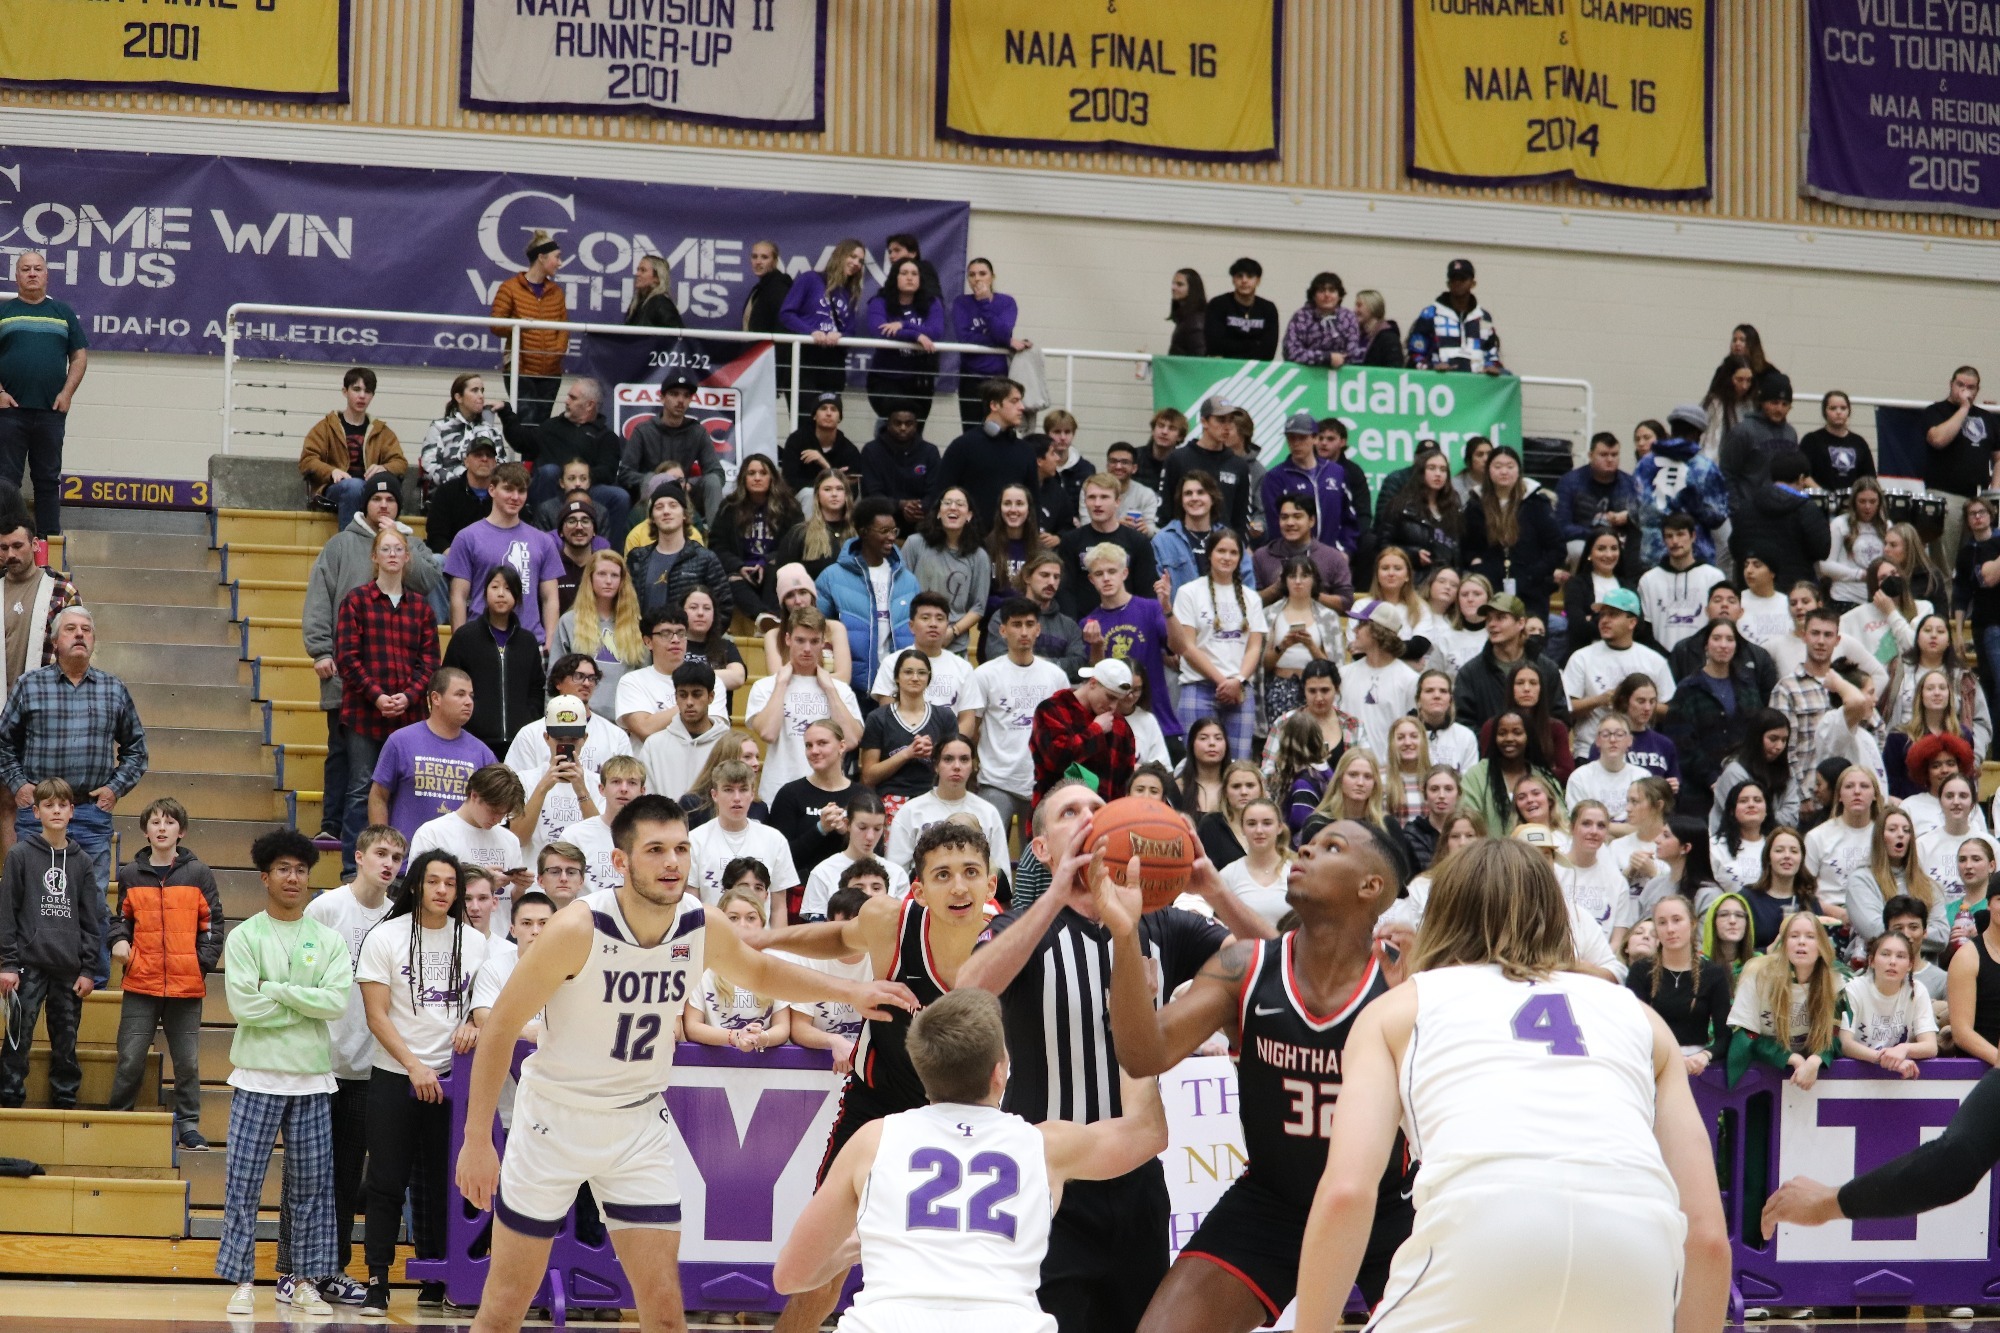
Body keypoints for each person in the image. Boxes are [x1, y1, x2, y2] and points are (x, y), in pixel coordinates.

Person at [453, 795, 917, 1329]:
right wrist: (475, 1139)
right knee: (505, 1304)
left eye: (680, 848)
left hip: (637, 1124)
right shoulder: (576, 930)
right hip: (553, 1119)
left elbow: (760, 974)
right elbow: (500, 1030)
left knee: (665, 1313)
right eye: (655, 850)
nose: (672, 862)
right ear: (621, 863)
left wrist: (847, 991)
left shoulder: (699, 922)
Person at [1292, 837, 1730, 1333]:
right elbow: (1709, 1235)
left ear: (1444, 912)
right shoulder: (1642, 1018)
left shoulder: (1399, 1008)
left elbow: (1348, 1192)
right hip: (1637, 1253)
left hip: (1484, 1232)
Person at [956, 779, 1259, 1333]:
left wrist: (1211, 887)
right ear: (1042, 849)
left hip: (1137, 1180)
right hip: (1049, 1183)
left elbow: (1281, 960)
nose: (1090, 817)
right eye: (1070, 812)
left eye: (1099, 808)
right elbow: (966, 992)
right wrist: (1055, 893)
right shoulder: (1019, 929)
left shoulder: (1165, 924)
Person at [1104, 813, 1415, 1333]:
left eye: (1331, 847)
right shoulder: (1244, 967)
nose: (1307, 851)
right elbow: (1143, 1055)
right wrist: (1124, 932)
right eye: (1308, 843)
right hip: (1274, 1204)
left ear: (1371, 886)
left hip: (1389, 1209)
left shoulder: (1405, 976)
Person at [776, 983, 1168, 1332]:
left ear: (921, 1067)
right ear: (1000, 1071)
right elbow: (1148, 1132)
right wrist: (1134, 1015)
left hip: (888, 1320)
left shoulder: (873, 1140)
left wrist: (848, 1251)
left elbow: (791, 1277)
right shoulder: (1045, 1144)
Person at [760, 824, 1004, 1333]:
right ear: (917, 889)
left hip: (973, 1119)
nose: (959, 887)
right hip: (878, 1103)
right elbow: (838, 938)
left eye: (970, 873)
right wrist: (759, 939)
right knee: (821, 1267)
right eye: (943, 875)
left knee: (970, 1272)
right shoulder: (889, 920)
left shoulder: (1014, 940)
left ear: (992, 883)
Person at [212, 829, 352, 1318]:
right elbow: (244, 1006)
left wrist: (280, 990)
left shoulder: (328, 939)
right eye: (284, 870)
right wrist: (300, 1001)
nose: (293, 878)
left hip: (313, 1079)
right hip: (256, 1077)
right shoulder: (245, 935)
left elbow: (335, 1003)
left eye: (301, 871)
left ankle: (304, 1282)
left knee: (312, 1187)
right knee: (244, 1182)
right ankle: (243, 1280)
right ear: (265, 877)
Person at [353, 848, 486, 1315]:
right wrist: (413, 1065)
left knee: (444, 1184)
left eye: (451, 884)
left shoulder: (474, 941)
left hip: (453, 1080)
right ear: (416, 885)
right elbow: (375, 1014)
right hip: (396, 1076)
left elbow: (485, 1003)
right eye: (434, 882)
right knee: (387, 1181)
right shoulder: (385, 936)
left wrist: (473, 1021)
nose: (442, 891)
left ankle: (438, 1276)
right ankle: (378, 1280)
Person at [0, 605, 146, 973]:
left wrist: (113, 790)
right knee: (32, 894)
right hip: (37, 814)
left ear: (93, 640)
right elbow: (3, 743)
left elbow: (136, 751)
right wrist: (19, 785)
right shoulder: (30, 685)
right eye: (70, 629)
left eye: (86, 629)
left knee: (92, 896)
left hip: (89, 814)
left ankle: (91, 975)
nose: (79, 634)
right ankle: (27, 971)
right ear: (55, 641)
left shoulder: (114, 689)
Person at [106, 797, 221, 1150]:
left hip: (186, 986)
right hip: (141, 983)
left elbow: (212, 923)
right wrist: (120, 941)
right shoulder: (129, 873)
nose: (161, 828)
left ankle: (188, 1125)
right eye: (155, 822)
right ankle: (119, 1117)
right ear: (145, 830)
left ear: (181, 831)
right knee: (130, 1056)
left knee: (186, 1062)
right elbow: (120, 920)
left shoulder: (198, 873)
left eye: (169, 822)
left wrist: (199, 962)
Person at [0, 777, 99, 1111]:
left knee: (66, 1041)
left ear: (72, 811)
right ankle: (10, 1096)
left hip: (69, 968)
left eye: (62, 805)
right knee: (18, 1036)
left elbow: (91, 919)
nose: (56, 810)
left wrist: (88, 967)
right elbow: (7, 914)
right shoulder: (20, 855)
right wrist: (8, 964)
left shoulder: (83, 862)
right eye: (48, 805)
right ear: (37, 810)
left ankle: (65, 1097)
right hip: (27, 965)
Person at [958, 596, 1071, 845]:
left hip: (1042, 782)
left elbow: (1066, 732)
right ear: (1002, 630)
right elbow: (971, 728)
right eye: (1016, 624)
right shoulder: (985, 674)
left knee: (1039, 861)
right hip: (996, 781)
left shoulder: (1056, 676)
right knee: (986, 855)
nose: (1023, 631)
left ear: (1038, 629)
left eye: (1029, 624)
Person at [366, 667, 493, 849]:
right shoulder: (400, 741)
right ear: (436, 698)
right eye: (460, 694)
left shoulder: (482, 753)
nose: (468, 702)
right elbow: (378, 796)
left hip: (461, 866)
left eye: (471, 696)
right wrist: (383, 846)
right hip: (407, 865)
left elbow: (494, 807)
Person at [747, 606, 863, 804]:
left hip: (829, 793)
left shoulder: (839, 689)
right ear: (788, 639)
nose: (807, 649)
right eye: (800, 640)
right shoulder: (765, 687)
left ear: (823, 643)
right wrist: (781, 683)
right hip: (779, 789)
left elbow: (851, 740)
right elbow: (768, 733)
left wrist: (830, 690)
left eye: (814, 641)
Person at [501, 376, 630, 536]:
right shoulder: (552, 426)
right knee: (549, 471)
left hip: (588, 490)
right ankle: (542, 538)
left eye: (573, 397)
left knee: (620, 496)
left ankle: (611, 554)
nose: (566, 401)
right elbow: (522, 442)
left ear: (589, 405)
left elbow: (608, 472)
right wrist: (505, 413)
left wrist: (580, 478)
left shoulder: (606, 436)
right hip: (553, 489)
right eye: (568, 396)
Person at [440, 565, 543, 754]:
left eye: (508, 588)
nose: (501, 594)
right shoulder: (465, 637)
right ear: (484, 592)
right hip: (473, 739)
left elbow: (536, 689)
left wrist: (529, 717)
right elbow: (448, 681)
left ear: (518, 596)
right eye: (495, 587)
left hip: (519, 742)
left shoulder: (528, 642)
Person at [1626, 895, 1731, 1079]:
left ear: (1692, 923)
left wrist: (1705, 1056)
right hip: (1652, 1063)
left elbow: (1725, 1036)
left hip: (1696, 1066)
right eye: (1662, 922)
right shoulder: (1640, 971)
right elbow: (1633, 1030)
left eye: (1677, 920)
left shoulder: (1713, 973)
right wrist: (1671, 1058)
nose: (1670, 929)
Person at [1562, 587, 1674, 758]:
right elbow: (1567, 708)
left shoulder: (1654, 660)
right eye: (1603, 614)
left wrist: (1636, 703)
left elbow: (1669, 710)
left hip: (1640, 754)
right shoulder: (1581, 657)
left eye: (1613, 614)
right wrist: (1600, 700)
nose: (1604, 620)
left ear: (1632, 622)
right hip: (1591, 751)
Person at [1461, 445, 1563, 619]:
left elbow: (1557, 549)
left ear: (1519, 470)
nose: (1504, 471)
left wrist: (1534, 574)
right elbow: (1467, 546)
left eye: (1510, 466)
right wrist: (1478, 565)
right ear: (1488, 471)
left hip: (1532, 587)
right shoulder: (1475, 505)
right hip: (1490, 586)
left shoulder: (1537, 503)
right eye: (1498, 466)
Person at [299, 367, 408, 529]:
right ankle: (349, 545)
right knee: (354, 486)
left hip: (371, 487)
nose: (362, 396)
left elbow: (400, 463)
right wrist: (331, 472)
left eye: (368, 391)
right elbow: (307, 460)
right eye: (356, 389)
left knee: (385, 491)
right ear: (345, 391)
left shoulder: (382, 432)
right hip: (337, 488)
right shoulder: (326, 427)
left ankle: (386, 541)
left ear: (372, 396)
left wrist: (384, 467)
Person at [928, 376, 1036, 531]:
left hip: (1010, 542)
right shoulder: (963, 446)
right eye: (1014, 401)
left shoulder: (1026, 451)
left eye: (1021, 401)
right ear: (994, 405)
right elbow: (940, 495)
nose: (1022, 407)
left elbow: (1034, 503)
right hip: (968, 542)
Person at [779, 239, 866, 427]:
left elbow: (850, 330)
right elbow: (786, 313)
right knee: (804, 423)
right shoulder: (811, 279)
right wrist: (810, 332)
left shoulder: (850, 293)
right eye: (853, 256)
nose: (856, 263)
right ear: (840, 255)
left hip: (833, 362)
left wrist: (841, 336)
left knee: (827, 423)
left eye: (860, 260)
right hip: (805, 359)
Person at [1452, 590, 1566, 730]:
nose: (1492, 624)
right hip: (1486, 751)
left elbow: (1560, 719)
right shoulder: (1470, 673)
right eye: (1489, 619)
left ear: (1521, 623)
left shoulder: (1547, 668)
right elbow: (1463, 724)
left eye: (1500, 618)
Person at [1634, 405, 1731, 567]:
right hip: (1694, 553)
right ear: (1697, 434)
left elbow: (1634, 509)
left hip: (1653, 551)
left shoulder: (1644, 464)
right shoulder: (1703, 467)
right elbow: (1717, 515)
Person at [1030, 658, 1138, 803]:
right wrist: (1096, 731)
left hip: (1102, 815)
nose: (1113, 706)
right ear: (1093, 683)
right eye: (1110, 697)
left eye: (1119, 700)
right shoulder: (1052, 710)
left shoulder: (1120, 725)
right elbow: (1056, 760)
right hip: (1057, 813)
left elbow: (1125, 781)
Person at [488, 229, 566, 424]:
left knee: (543, 425)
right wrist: (520, 326)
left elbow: (563, 328)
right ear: (541, 257)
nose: (560, 263)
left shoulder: (556, 292)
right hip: (520, 370)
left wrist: (556, 353)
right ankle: (526, 456)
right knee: (526, 422)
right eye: (556, 257)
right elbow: (496, 324)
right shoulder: (509, 288)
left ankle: (533, 457)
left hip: (551, 372)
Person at [624, 483, 731, 624]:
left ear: (685, 515)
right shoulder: (637, 558)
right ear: (652, 518)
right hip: (644, 643)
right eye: (659, 507)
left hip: (689, 644)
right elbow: (624, 605)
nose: (666, 511)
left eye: (673, 505)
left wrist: (699, 641)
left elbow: (724, 607)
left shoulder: (705, 559)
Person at [1923, 365, 2000, 558]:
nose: (1965, 390)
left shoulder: (1987, 418)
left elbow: (1998, 458)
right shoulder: (1936, 411)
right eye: (1960, 385)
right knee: (1944, 560)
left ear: (1977, 390)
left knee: (1976, 556)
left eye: (1971, 387)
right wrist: (1964, 408)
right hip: (1947, 496)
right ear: (1951, 384)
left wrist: (1994, 493)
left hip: (1978, 498)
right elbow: (1938, 440)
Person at [862, 255, 944, 422]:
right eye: (904, 273)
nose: (909, 277)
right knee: (894, 427)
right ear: (895, 277)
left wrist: (902, 326)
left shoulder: (932, 302)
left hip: (919, 381)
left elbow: (935, 332)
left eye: (914, 274)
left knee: (914, 432)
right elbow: (878, 330)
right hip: (886, 380)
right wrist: (916, 335)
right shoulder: (879, 301)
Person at [951, 257, 1029, 430]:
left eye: (982, 273)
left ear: (992, 277)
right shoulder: (961, 303)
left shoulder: (1006, 302)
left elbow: (1003, 333)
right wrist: (1005, 342)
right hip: (970, 377)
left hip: (998, 378)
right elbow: (964, 338)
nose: (977, 278)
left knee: (1000, 429)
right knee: (971, 430)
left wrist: (985, 303)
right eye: (972, 275)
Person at [1339, 600, 1421, 761]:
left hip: (1391, 775)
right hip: (1351, 772)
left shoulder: (1410, 679)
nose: (1355, 630)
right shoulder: (1343, 675)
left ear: (1378, 631)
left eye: (1362, 624)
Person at [1160, 399, 1255, 536]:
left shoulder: (1238, 466)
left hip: (1223, 549)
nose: (1227, 426)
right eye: (1221, 420)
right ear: (1204, 422)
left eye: (1231, 420)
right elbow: (1165, 510)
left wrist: (1237, 548)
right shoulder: (1177, 459)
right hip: (1182, 545)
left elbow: (1241, 518)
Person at [1637, 514, 1726, 651]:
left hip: (1703, 660)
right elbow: (1645, 629)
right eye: (1669, 536)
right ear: (1664, 540)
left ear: (1693, 536)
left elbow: (1719, 623)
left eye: (1680, 534)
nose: (1675, 541)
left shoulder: (1714, 577)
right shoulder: (1649, 580)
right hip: (1662, 661)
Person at [1554, 432, 1640, 574]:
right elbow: (1561, 526)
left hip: (1621, 540)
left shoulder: (1630, 483)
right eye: (1604, 455)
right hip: (1582, 539)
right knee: (1578, 549)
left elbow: (1641, 521)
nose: (1610, 459)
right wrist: (1597, 536)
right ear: (1590, 455)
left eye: (1614, 454)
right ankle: (1582, 587)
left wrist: (1629, 518)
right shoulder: (1569, 482)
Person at [560, 758, 646, 896]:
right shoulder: (574, 836)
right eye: (616, 782)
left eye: (632, 783)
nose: (623, 789)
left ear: (642, 791)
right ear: (601, 789)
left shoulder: (653, 838)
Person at [780, 392, 863, 496]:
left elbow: (852, 493)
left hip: (837, 504)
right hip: (801, 502)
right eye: (823, 408)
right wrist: (836, 479)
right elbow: (789, 482)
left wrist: (825, 465)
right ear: (814, 416)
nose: (828, 413)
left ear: (840, 418)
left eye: (833, 409)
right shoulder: (797, 441)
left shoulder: (849, 450)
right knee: (809, 494)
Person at [1203, 256, 1280, 361]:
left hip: (1256, 368)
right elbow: (1215, 345)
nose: (1244, 280)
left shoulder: (1268, 309)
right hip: (1224, 366)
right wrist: (1254, 344)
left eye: (1250, 276)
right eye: (1239, 276)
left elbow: (1269, 351)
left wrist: (1232, 344)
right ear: (1233, 280)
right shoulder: (1217, 304)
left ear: (1258, 280)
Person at [1165, 267, 1206, 358]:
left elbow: (1201, 356)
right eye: (1173, 283)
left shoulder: (1196, 321)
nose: (1173, 288)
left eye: (1180, 284)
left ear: (1192, 288)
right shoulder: (1186, 318)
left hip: (1188, 371)